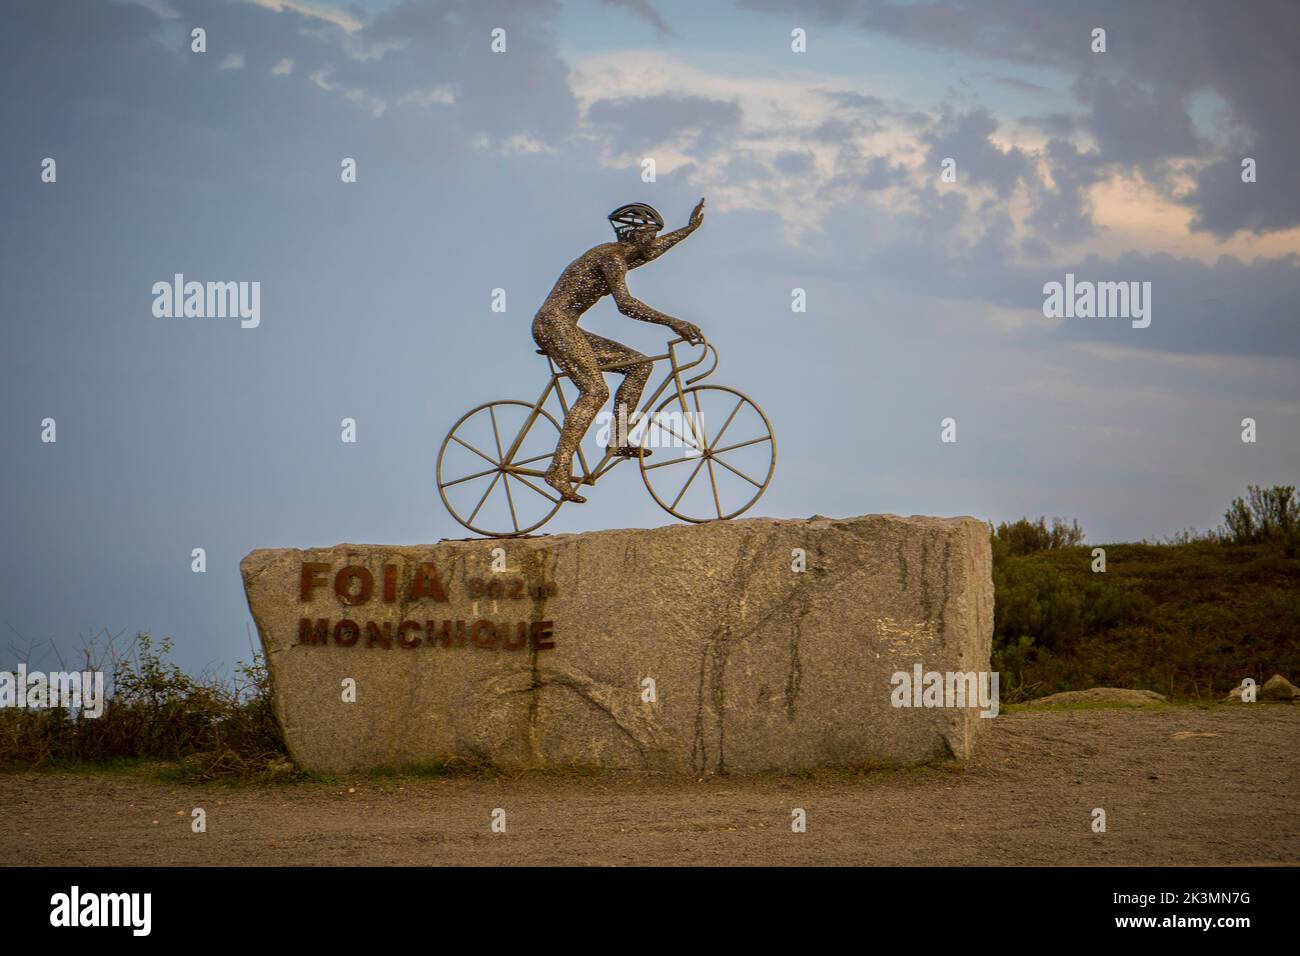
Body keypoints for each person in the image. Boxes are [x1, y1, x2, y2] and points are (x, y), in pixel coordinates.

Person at [532, 199, 706, 503]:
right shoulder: (610, 258)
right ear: (633, 234)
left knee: (639, 365)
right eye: (649, 233)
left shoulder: (625, 256)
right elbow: (625, 305)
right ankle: (558, 469)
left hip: (566, 327)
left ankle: (617, 438)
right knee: (595, 392)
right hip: (554, 325)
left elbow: (654, 252)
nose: (653, 240)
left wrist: (688, 230)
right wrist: (673, 322)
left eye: (655, 234)